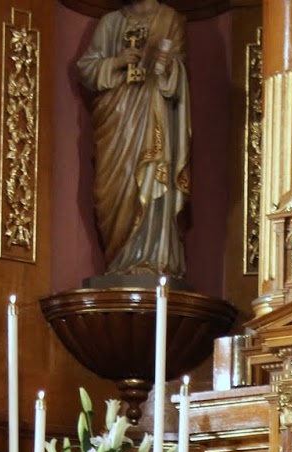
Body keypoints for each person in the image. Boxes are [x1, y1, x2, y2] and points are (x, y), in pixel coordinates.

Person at [77, 0, 191, 280]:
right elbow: (86, 68)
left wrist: (168, 68)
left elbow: (179, 75)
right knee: (113, 189)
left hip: (155, 118)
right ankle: (120, 261)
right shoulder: (110, 22)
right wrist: (117, 62)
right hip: (117, 120)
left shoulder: (170, 19)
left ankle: (154, 260)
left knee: (154, 178)